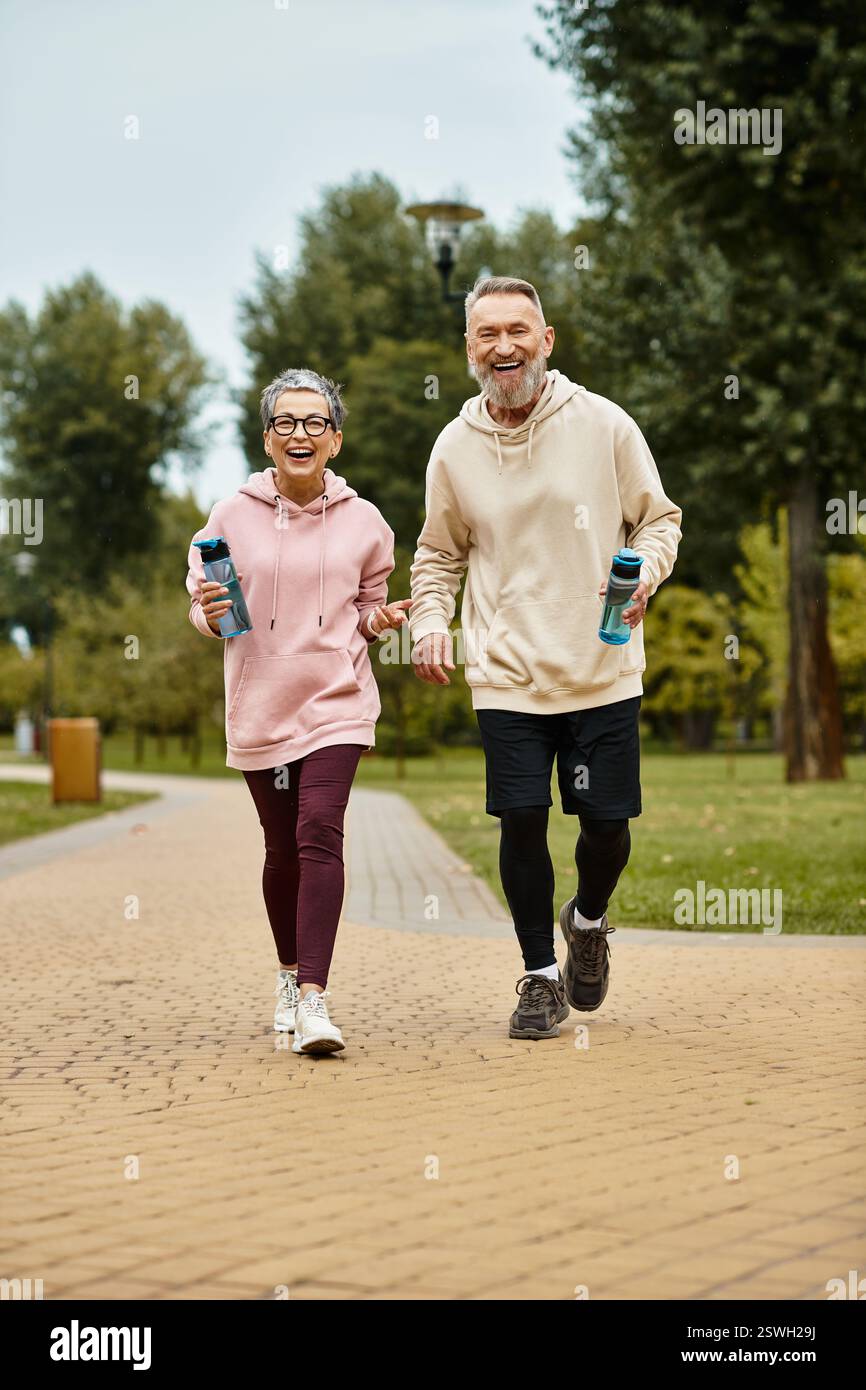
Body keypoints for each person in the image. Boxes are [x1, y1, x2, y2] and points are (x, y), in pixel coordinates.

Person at [409, 277, 682, 1040]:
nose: (504, 346)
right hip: (507, 673)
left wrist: (644, 572)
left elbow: (658, 520)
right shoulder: (454, 447)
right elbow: (438, 554)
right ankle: (538, 977)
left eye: (518, 331)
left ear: (546, 340)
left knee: (607, 824)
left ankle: (587, 922)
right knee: (522, 818)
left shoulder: (603, 423)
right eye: (487, 333)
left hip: (601, 665)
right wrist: (429, 619)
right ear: (470, 349)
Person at [185, 368, 411, 1055]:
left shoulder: (366, 522)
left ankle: (314, 998)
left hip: (337, 700)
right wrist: (208, 614)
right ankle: (288, 974)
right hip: (261, 702)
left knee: (319, 831)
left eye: (315, 422)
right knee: (282, 849)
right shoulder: (229, 517)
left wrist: (379, 622)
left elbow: (366, 608)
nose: (300, 433)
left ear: (335, 439)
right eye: (285, 422)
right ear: (267, 439)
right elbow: (205, 608)